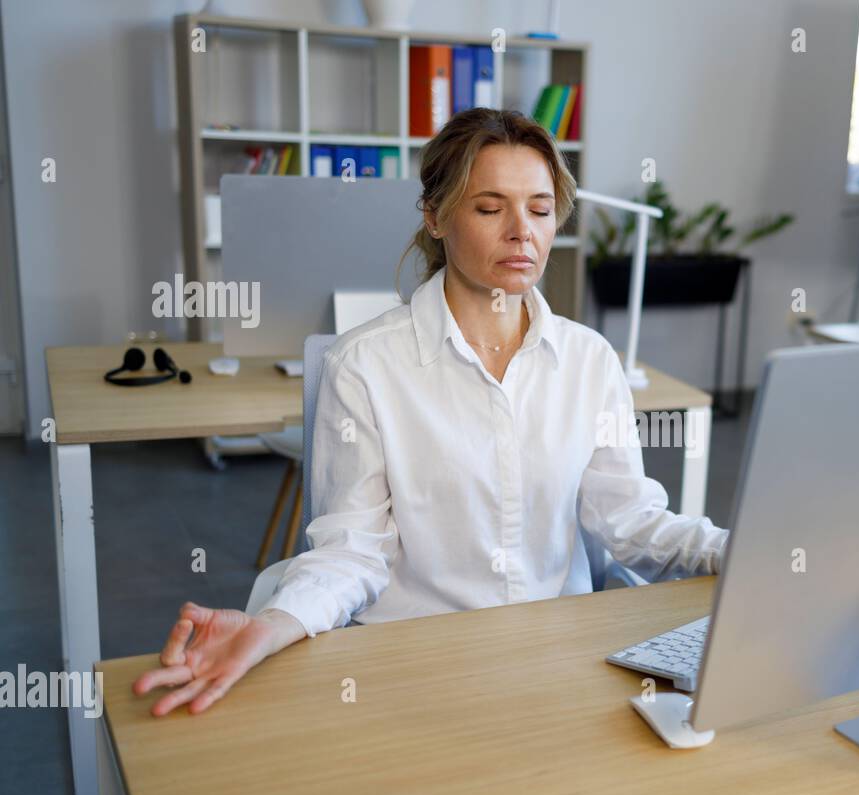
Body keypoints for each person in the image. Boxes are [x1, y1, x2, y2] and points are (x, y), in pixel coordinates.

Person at [133, 108, 729, 716]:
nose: (522, 232)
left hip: (558, 659)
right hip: (418, 665)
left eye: (541, 210)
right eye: (491, 208)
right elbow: (352, 549)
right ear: (435, 216)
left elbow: (628, 520)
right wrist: (274, 624)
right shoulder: (365, 364)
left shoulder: (590, 360)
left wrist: (738, 550)